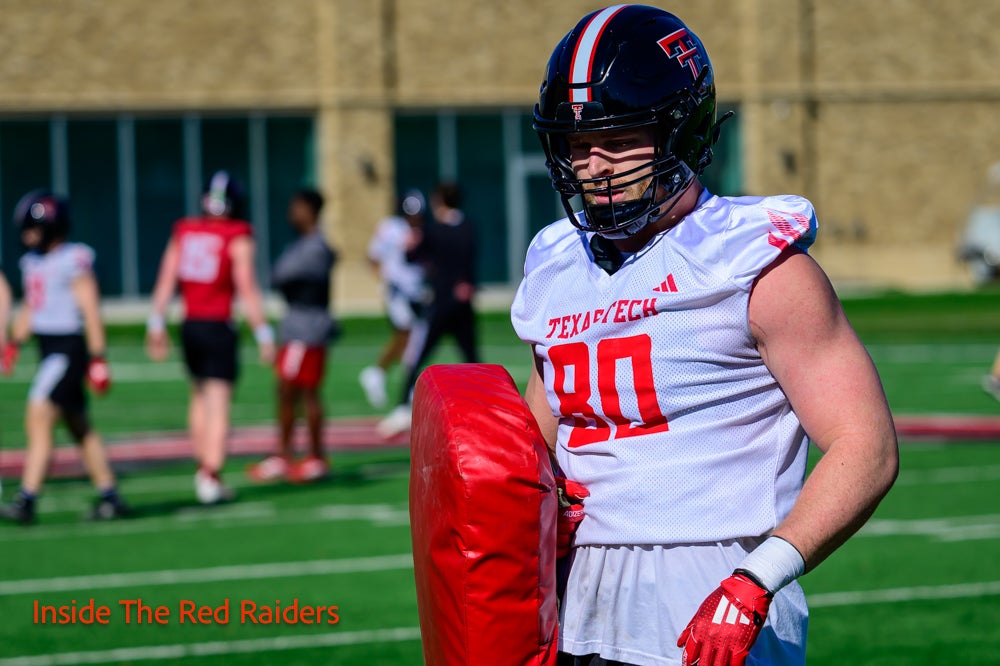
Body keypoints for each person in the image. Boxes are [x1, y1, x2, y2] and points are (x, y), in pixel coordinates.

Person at [511, 6, 899, 665]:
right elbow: (539, 439)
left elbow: (866, 447)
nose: (595, 166)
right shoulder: (558, 265)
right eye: (576, 145)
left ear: (681, 130)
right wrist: (538, 500)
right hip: (578, 605)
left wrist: (760, 578)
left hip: (715, 597)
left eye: (619, 136)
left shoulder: (757, 265)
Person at [146, 170, 275, 505]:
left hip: (190, 324)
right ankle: (211, 474)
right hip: (218, 325)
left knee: (199, 396)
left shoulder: (185, 231)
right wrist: (263, 331)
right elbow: (246, 285)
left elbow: (165, 279)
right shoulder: (237, 234)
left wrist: (156, 322)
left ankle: (203, 466)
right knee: (218, 402)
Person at [0, 190, 128, 524]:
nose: (27, 235)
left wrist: (98, 357)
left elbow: (90, 309)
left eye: (33, 227)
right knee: (79, 426)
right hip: (48, 350)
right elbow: (31, 305)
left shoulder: (74, 260)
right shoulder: (33, 262)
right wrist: (14, 342)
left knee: (38, 416)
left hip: (68, 350)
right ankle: (110, 495)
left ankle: (26, 499)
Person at [246, 188, 337, 484]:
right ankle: (285, 454)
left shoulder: (316, 246)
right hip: (295, 327)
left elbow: (282, 275)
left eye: (297, 207)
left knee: (303, 390)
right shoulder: (301, 244)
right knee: (287, 390)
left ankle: (314, 456)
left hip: (307, 329)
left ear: (311, 211)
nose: (292, 213)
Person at [376, 181, 479, 438]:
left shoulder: (433, 231)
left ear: (439, 202)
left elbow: (413, 256)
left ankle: (401, 406)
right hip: (463, 304)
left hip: (441, 303)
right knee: (474, 359)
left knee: (419, 356)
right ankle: (486, 405)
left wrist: (411, 244)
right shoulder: (469, 228)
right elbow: (469, 264)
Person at [358, 189, 428, 410]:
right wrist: (383, 279)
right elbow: (373, 256)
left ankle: (403, 383)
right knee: (406, 333)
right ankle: (377, 373)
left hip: (416, 292)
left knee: (416, 339)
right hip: (397, 292)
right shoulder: (391, 228)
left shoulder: (423, 231)